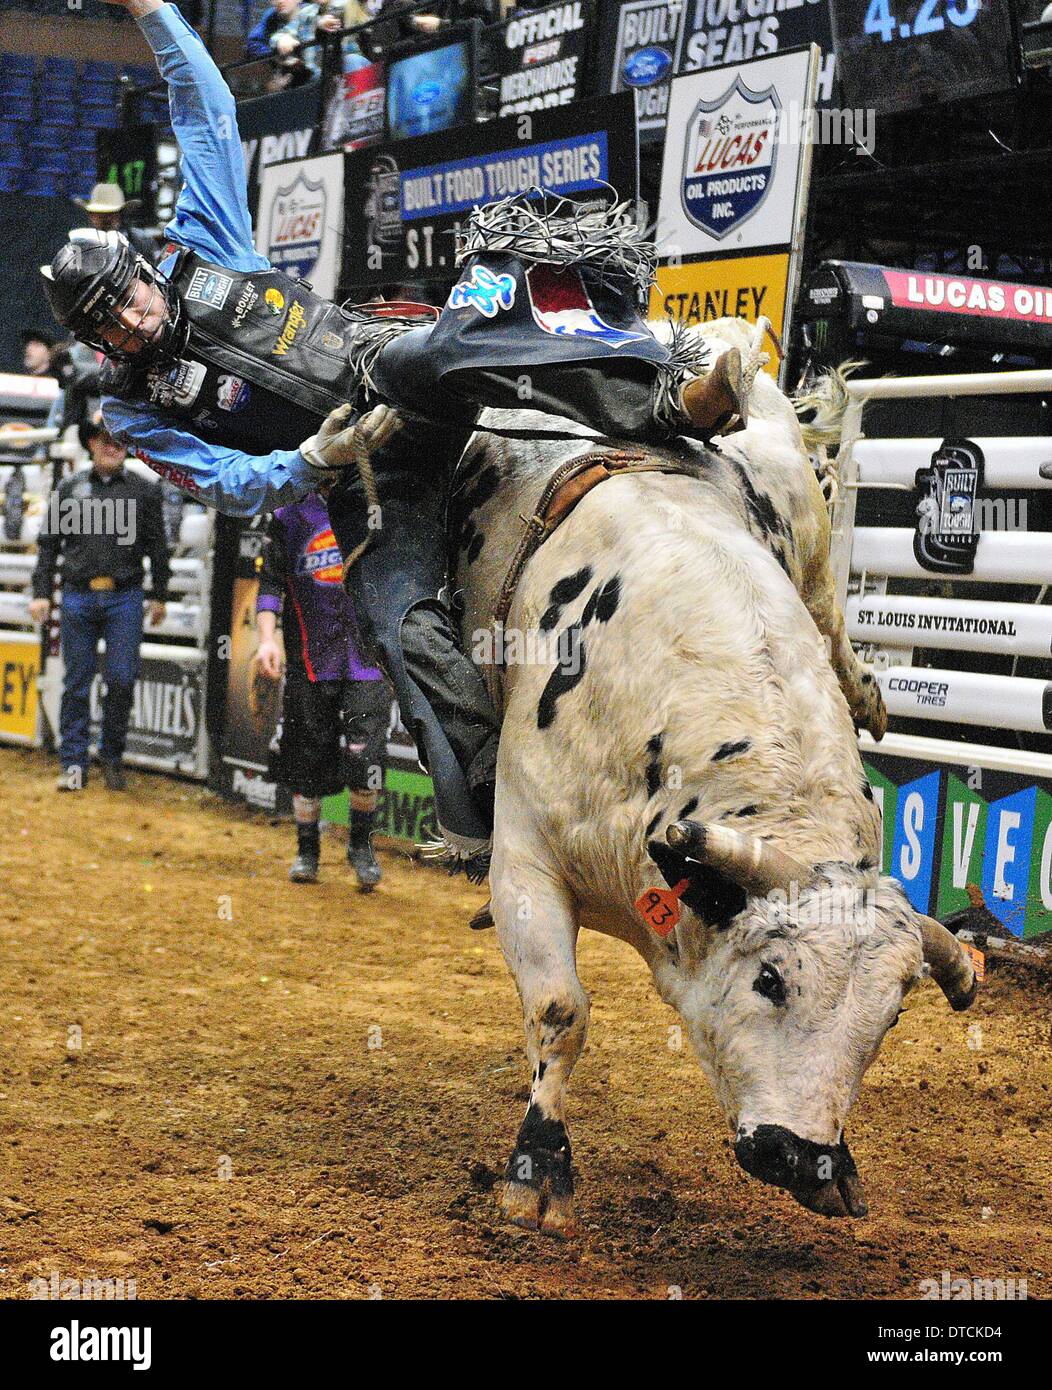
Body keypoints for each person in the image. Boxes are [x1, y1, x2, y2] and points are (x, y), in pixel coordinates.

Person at [39, 0, 743, 871]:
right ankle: (494, 799)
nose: (136, 320)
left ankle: (670, 399)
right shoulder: (131, 407)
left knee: (455, 343)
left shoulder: (203, 240)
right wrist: (310, 460)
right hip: (363, 482)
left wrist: (151, 11)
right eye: (113, 322)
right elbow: (219, 478)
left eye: (131, 296)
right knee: (396, 623)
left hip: (380, 369)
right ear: (97, 341)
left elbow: (207, 104)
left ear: (143, 270)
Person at [29, 411, 170, 792]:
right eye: (104, 438)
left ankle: (111, 756)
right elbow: (48, 548)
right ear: (91, 443)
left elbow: (158, 546)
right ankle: (74, 762)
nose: (111, 445)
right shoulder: (69, 489)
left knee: (121, 679)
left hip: (124, 595)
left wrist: (159, 594)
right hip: (78, 594)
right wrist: (42, 593)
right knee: (77, 682)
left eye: (118, 439)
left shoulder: (144, 491)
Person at [256, 494, 389, 888]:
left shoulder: (373, 506)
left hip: (367, 658)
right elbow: (270, 582)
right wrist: (267, 639)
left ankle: (361, 846)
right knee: (306, 757)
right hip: (310, 659)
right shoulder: (288, 515)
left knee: (369, 759)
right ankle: (307, 850)